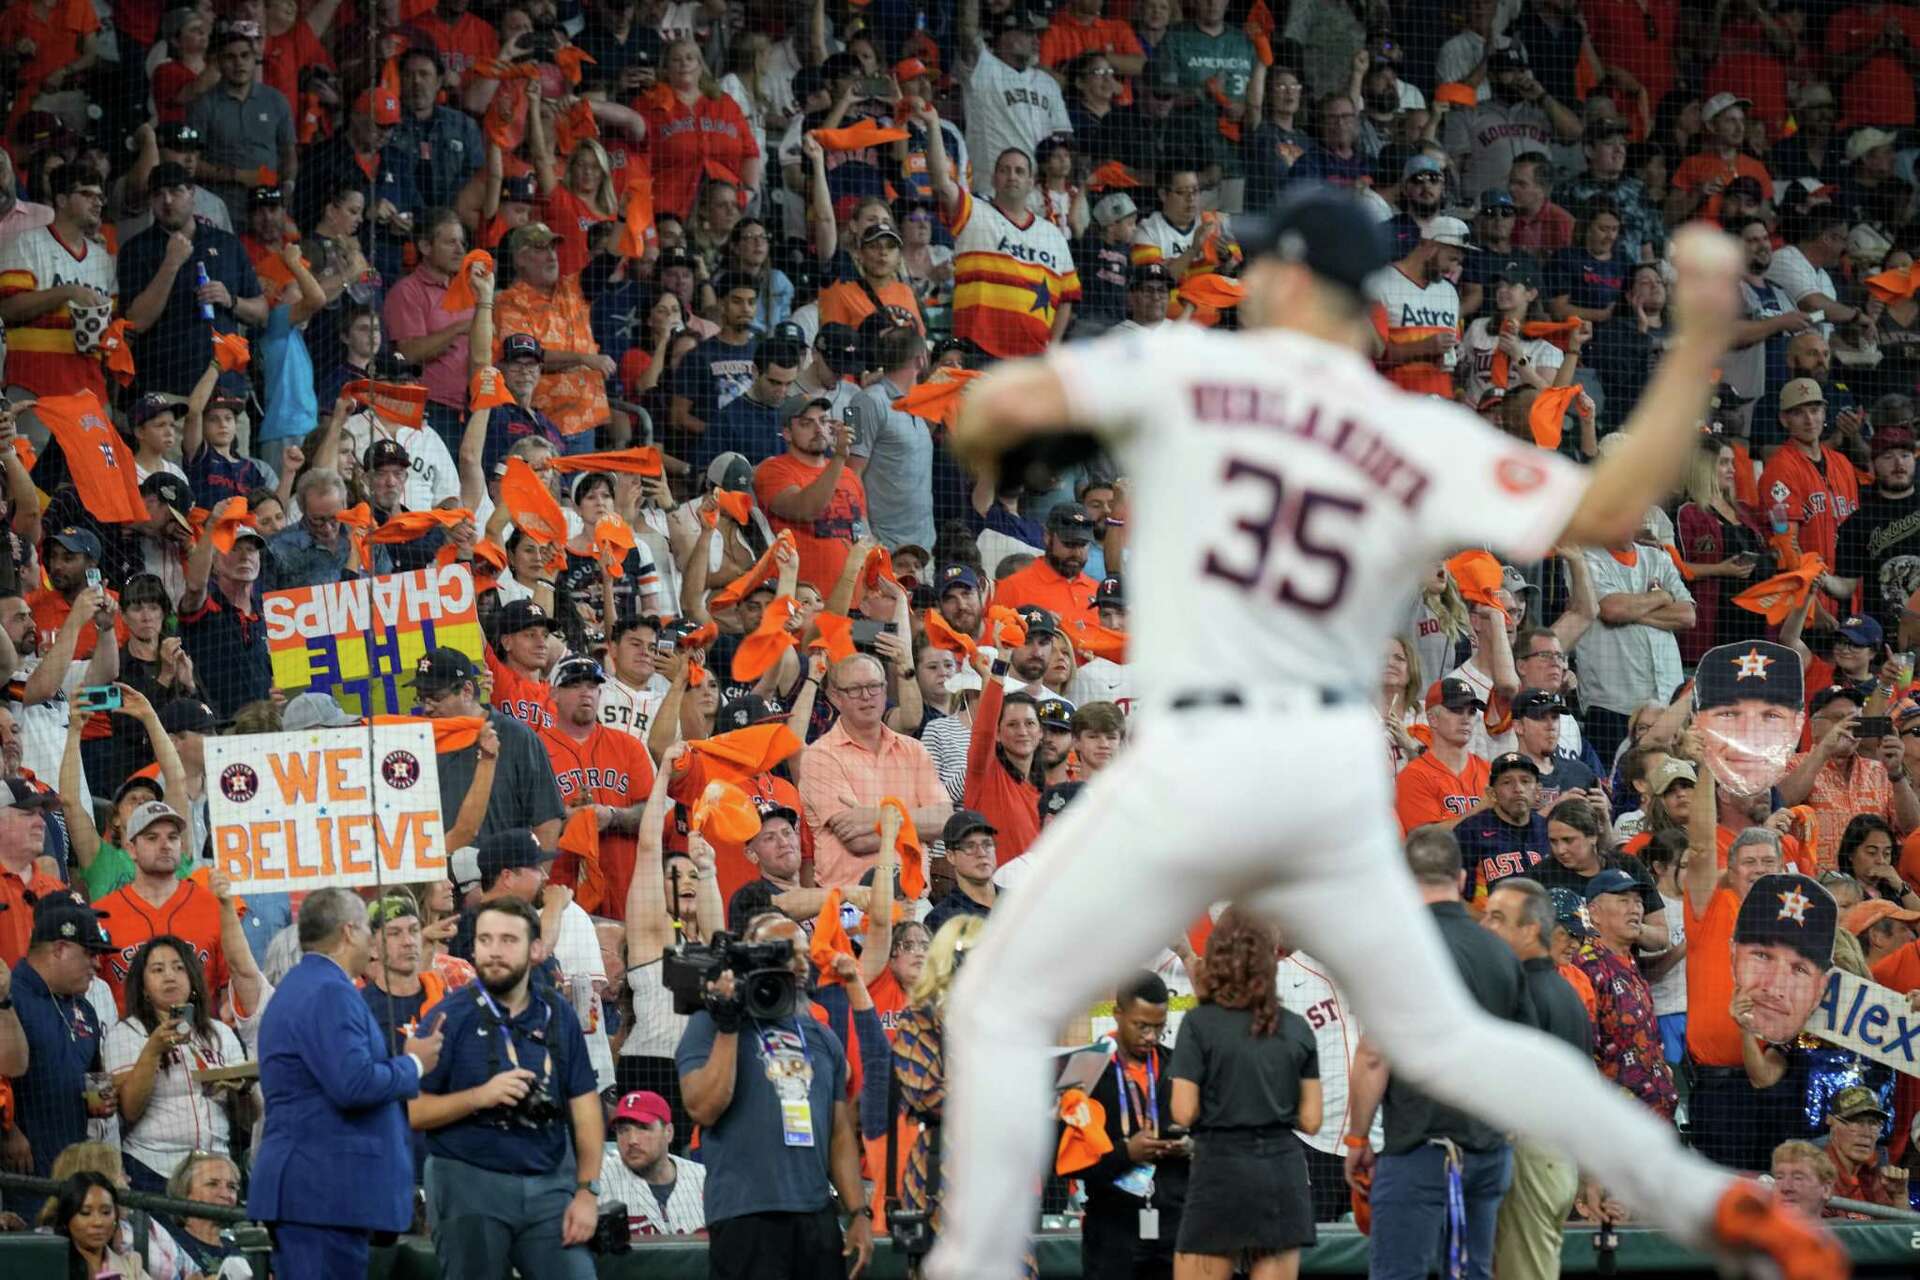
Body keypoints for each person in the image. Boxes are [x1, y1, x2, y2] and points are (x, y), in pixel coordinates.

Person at [923, 196, 1842, 1280]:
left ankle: (972, 1266)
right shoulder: (1419, 430)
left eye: (1259, 267)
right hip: (1328, 769)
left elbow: (996, 409)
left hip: (1204, 751)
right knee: (1452, 1039)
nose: (1248, 283)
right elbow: (1606, 509)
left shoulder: (1185, 367)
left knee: (996, 999)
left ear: (1289, 278)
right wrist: (1693, 342)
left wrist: (1030, 430)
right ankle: (1701, 1196)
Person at [1346, 830, 1534, 1280]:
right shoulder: (1498, 950)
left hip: (1420, 1149)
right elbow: (1525, 1051)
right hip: (1487, 1149)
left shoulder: (1398, 949)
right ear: (1463, 878)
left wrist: (1356, 1140)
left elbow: (1374, 1055)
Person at [249, 887, 442, 1280]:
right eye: (371, 930)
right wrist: (413, 1065)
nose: (374, 939)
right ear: (350, 932)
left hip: (319, 1196)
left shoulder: (310, 985)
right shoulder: (328, 992)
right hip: (321, 1197)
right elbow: (352, 1084)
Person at [410, 896, 603, 1280]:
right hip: (469, 1181)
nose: (494, 952)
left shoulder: (558, 1013)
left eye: (507, 940)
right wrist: (480, 1097)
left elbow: (585, 1107)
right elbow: (413, 1112)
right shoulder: (447, 1017)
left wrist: (587, 1192)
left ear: (535, 950)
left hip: (549, 1181)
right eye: (485, 940)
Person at [676, 912, 874, 1280]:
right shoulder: (709, 1021)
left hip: (816, 1215)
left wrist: (858, 1213)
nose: (801, 965)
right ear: (753, 960)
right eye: (785, 953)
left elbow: (839, 1133)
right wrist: (729, 1020)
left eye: (803, 953)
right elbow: (703, 1108)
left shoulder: (822, 1036)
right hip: (745, 1216)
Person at [1168, 908, 1320, 1279]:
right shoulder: (1296, 1027)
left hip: (1220, 1173)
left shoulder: (1199, 1024)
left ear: (1218, 954)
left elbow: (1182, 1111)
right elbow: (1311, 1120)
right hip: (1282, 1177)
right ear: (1272, 958)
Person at [1480, 876, 1593, 1280]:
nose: (1486, 928)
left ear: (1530, 930)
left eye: (1498, 919)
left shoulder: (1525, 992)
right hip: (1557, 1158)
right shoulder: (1564, 994)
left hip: (1532, 1153)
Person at [103, 933, 252, 1191]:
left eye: (179, 968)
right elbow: (129, 1110)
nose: (170, 976)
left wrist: (243, 1089)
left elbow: (249, 1120)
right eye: (157, 970)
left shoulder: (220, 1033)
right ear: (143, 987)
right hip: (154, 1167)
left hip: (216, 1168)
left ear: (193, 979)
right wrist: (153, 1050)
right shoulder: (128, 1032)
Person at [1076, 971, 1188, 1280]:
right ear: (1118, 1014)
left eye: (1158, 1026)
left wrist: (1188, 1148)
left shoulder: (1177, 1067)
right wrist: (1127, 1153)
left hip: (1171, 1228)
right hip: (1113, 1233)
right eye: (1141, 1026)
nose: (1151, 1036)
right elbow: (1070, 1163)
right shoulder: (1087, 1071)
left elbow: (1208, 1137)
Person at [599, 1089, 707, 1238]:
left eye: (643, 1128)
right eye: (623, 1130)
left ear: (668, 1132)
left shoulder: (703, 1179)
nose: (632, 1140)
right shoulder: (601, 1179)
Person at [52, 1171, 147, 1279]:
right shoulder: (50, 1267)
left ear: (116, 1216)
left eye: (106, 1212)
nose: (98, 1222)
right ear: (67, 1217)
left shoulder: (132, 1267)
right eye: (85, 1213)